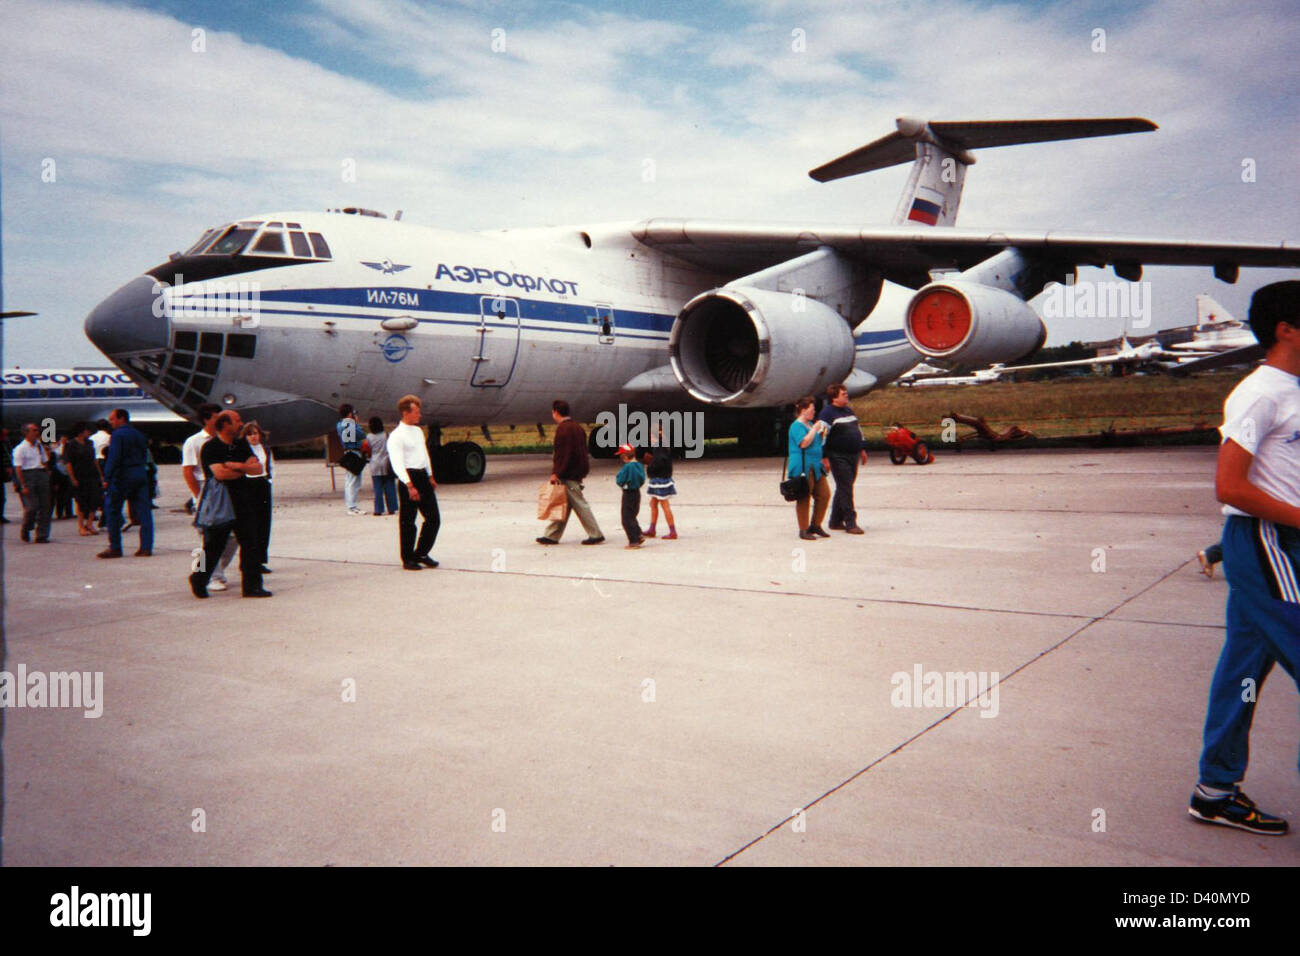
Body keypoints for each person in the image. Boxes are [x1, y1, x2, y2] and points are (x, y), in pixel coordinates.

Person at [1188, 280, 1300, 837]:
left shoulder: (1294, 390)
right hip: (1266, 542)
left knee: (1242, 669)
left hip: (1281, 540)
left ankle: (1214, 791)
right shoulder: (1262, 393)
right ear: (1287, 329)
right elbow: (1229, 487)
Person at [189, 410, 269, 598]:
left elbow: (257, 468)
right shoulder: (211, 448)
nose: (241, 423)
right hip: (220, 503)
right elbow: (220, 474)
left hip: (243, 501)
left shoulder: (240, 444)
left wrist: (236, 466)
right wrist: (242, 469)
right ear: (225, 425)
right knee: (212, 546)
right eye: (237, 420)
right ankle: (198, 578)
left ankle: (252, 586)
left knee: (251, 544)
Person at [182, 403, 237, 590]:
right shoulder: (194, 442)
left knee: (231, 539)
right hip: (207, 495)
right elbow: (189, 471)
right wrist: (198, 497)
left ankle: (212, 571)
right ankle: (211, 576)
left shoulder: (227, 440)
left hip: (225, 495)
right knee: (208, 541)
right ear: (207, 419)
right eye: (216, 416)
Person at [536, 399, 604, 545]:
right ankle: (552, 535)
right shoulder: (577, 427)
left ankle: (596, 534)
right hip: (576, 472)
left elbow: (562, 455)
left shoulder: (563, 429)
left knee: (580, 504)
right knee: (564, 505)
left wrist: (556, 473)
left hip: (568, 474)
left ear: (555, 412)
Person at [388, 395, 440, 570]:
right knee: (408, 521)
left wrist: (430, 475)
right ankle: (408, 558)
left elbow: (424, 454)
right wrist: (409, 485)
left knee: (434, 518)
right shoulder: (396, 436)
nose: (420, 415)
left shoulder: (418, 432)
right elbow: (397, 464)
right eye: (416, 412)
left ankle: (421, 553)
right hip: (407, 478)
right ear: (406, 413)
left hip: (422, 476)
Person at [99, 408, 154, 558]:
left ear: (121, 418)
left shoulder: (117, 435)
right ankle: (146, 547)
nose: (111, 423)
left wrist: (107, 477)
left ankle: (115, 547)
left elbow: (114, 457)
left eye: (113, 419)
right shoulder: (138, 434)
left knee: (113, 511)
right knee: (144, 512)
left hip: (123, 475)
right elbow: (144, 454)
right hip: (140, 473)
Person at [818, 383, 868, 534]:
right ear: (834, 398)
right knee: (846, 487)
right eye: (843, 394)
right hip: (838, 456)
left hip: (853, 454)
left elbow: (857, 429)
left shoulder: (848, 410)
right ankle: (850, 522)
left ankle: (835, 521)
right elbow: (822, 437)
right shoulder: (827, 414)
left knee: (844, 486)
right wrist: (824, 457)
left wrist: (862, 448)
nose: (847, 396)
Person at [788, 396, 831, 541]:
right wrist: (814, 429)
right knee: (804, 496)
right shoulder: (796, 426)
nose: (814, 413)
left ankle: (816, 524)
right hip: (802, 465)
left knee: (824, 494)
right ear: (803, 410)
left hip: (815, 465)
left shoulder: (810, 424)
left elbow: (816, 443)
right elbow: (804, 443)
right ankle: (803, 529)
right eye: (812, 410)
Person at [241, 421, 274, 574]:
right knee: (250, 525)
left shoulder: (265, 449)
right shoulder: (242, 450)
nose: (253, 437)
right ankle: (247, 561)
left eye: (255, 433)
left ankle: (260, 560)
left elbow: (271, 466)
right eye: (249, 434)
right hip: (248, 485)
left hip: (263, 483)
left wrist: (269, 480)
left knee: (264, 523)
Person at [12, 422, 52, 543]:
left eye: (37, 430)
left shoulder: (39, 446)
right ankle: (26, 527)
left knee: (45, 506)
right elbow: (18, 468)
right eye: (34, 430)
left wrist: (47, 473)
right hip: (28, 475)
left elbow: (45, 460)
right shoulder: (20, 448)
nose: (37, 432)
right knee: (32, 507)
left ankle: (42, 534)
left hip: (41, 474)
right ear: (26, 433)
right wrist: (22, 485)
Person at [65, 422, 103, 536]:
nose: (89, 433)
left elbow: (94, 459)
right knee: (81, 501)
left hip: (92, 474)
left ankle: (90, 523)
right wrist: (72, 478)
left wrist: (101, 475)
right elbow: (68, 463)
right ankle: (81, 526)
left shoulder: (90, 443)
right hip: (79, 475)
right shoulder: (71, 444)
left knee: (94, 499)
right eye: (87, 431)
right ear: (81, 431)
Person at [643, 430, 677, 540]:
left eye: (651, 437)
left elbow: (659, 463)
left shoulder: (658, 448)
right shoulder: (663, 447)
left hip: (659, 480)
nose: (650, 440)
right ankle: (652, 529)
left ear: (655, 437)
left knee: (665, 505)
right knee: (653, 504)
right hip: (663, 478)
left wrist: (650, 465)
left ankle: (673, 531)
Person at [337, 403, 368, 515]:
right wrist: (356, 423)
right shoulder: (349, 424)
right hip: (354, 452)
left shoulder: (340, 424)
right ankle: (352, 507)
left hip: (349, 452)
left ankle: (351, 505)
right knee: (353, 481)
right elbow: (360, 435)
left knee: (350, 481)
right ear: (350, 413)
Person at [615, 443, 647, 549]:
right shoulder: (639, 464)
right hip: (637, 492)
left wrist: (621, 482)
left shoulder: (628, 467)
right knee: (632, 515)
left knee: (626, 518)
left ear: (624, 456)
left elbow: (620, 479)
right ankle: (639, 534)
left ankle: (633, 541)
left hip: (628, 492)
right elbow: (642, 479)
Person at [368, 416, 397, 516]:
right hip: (386, 463)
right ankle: (392, 508)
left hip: (374, 463)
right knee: (389, 486)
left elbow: (367, 450)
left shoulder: (369, 437)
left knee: (377, 488)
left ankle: (378, 509)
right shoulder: (386, 435)